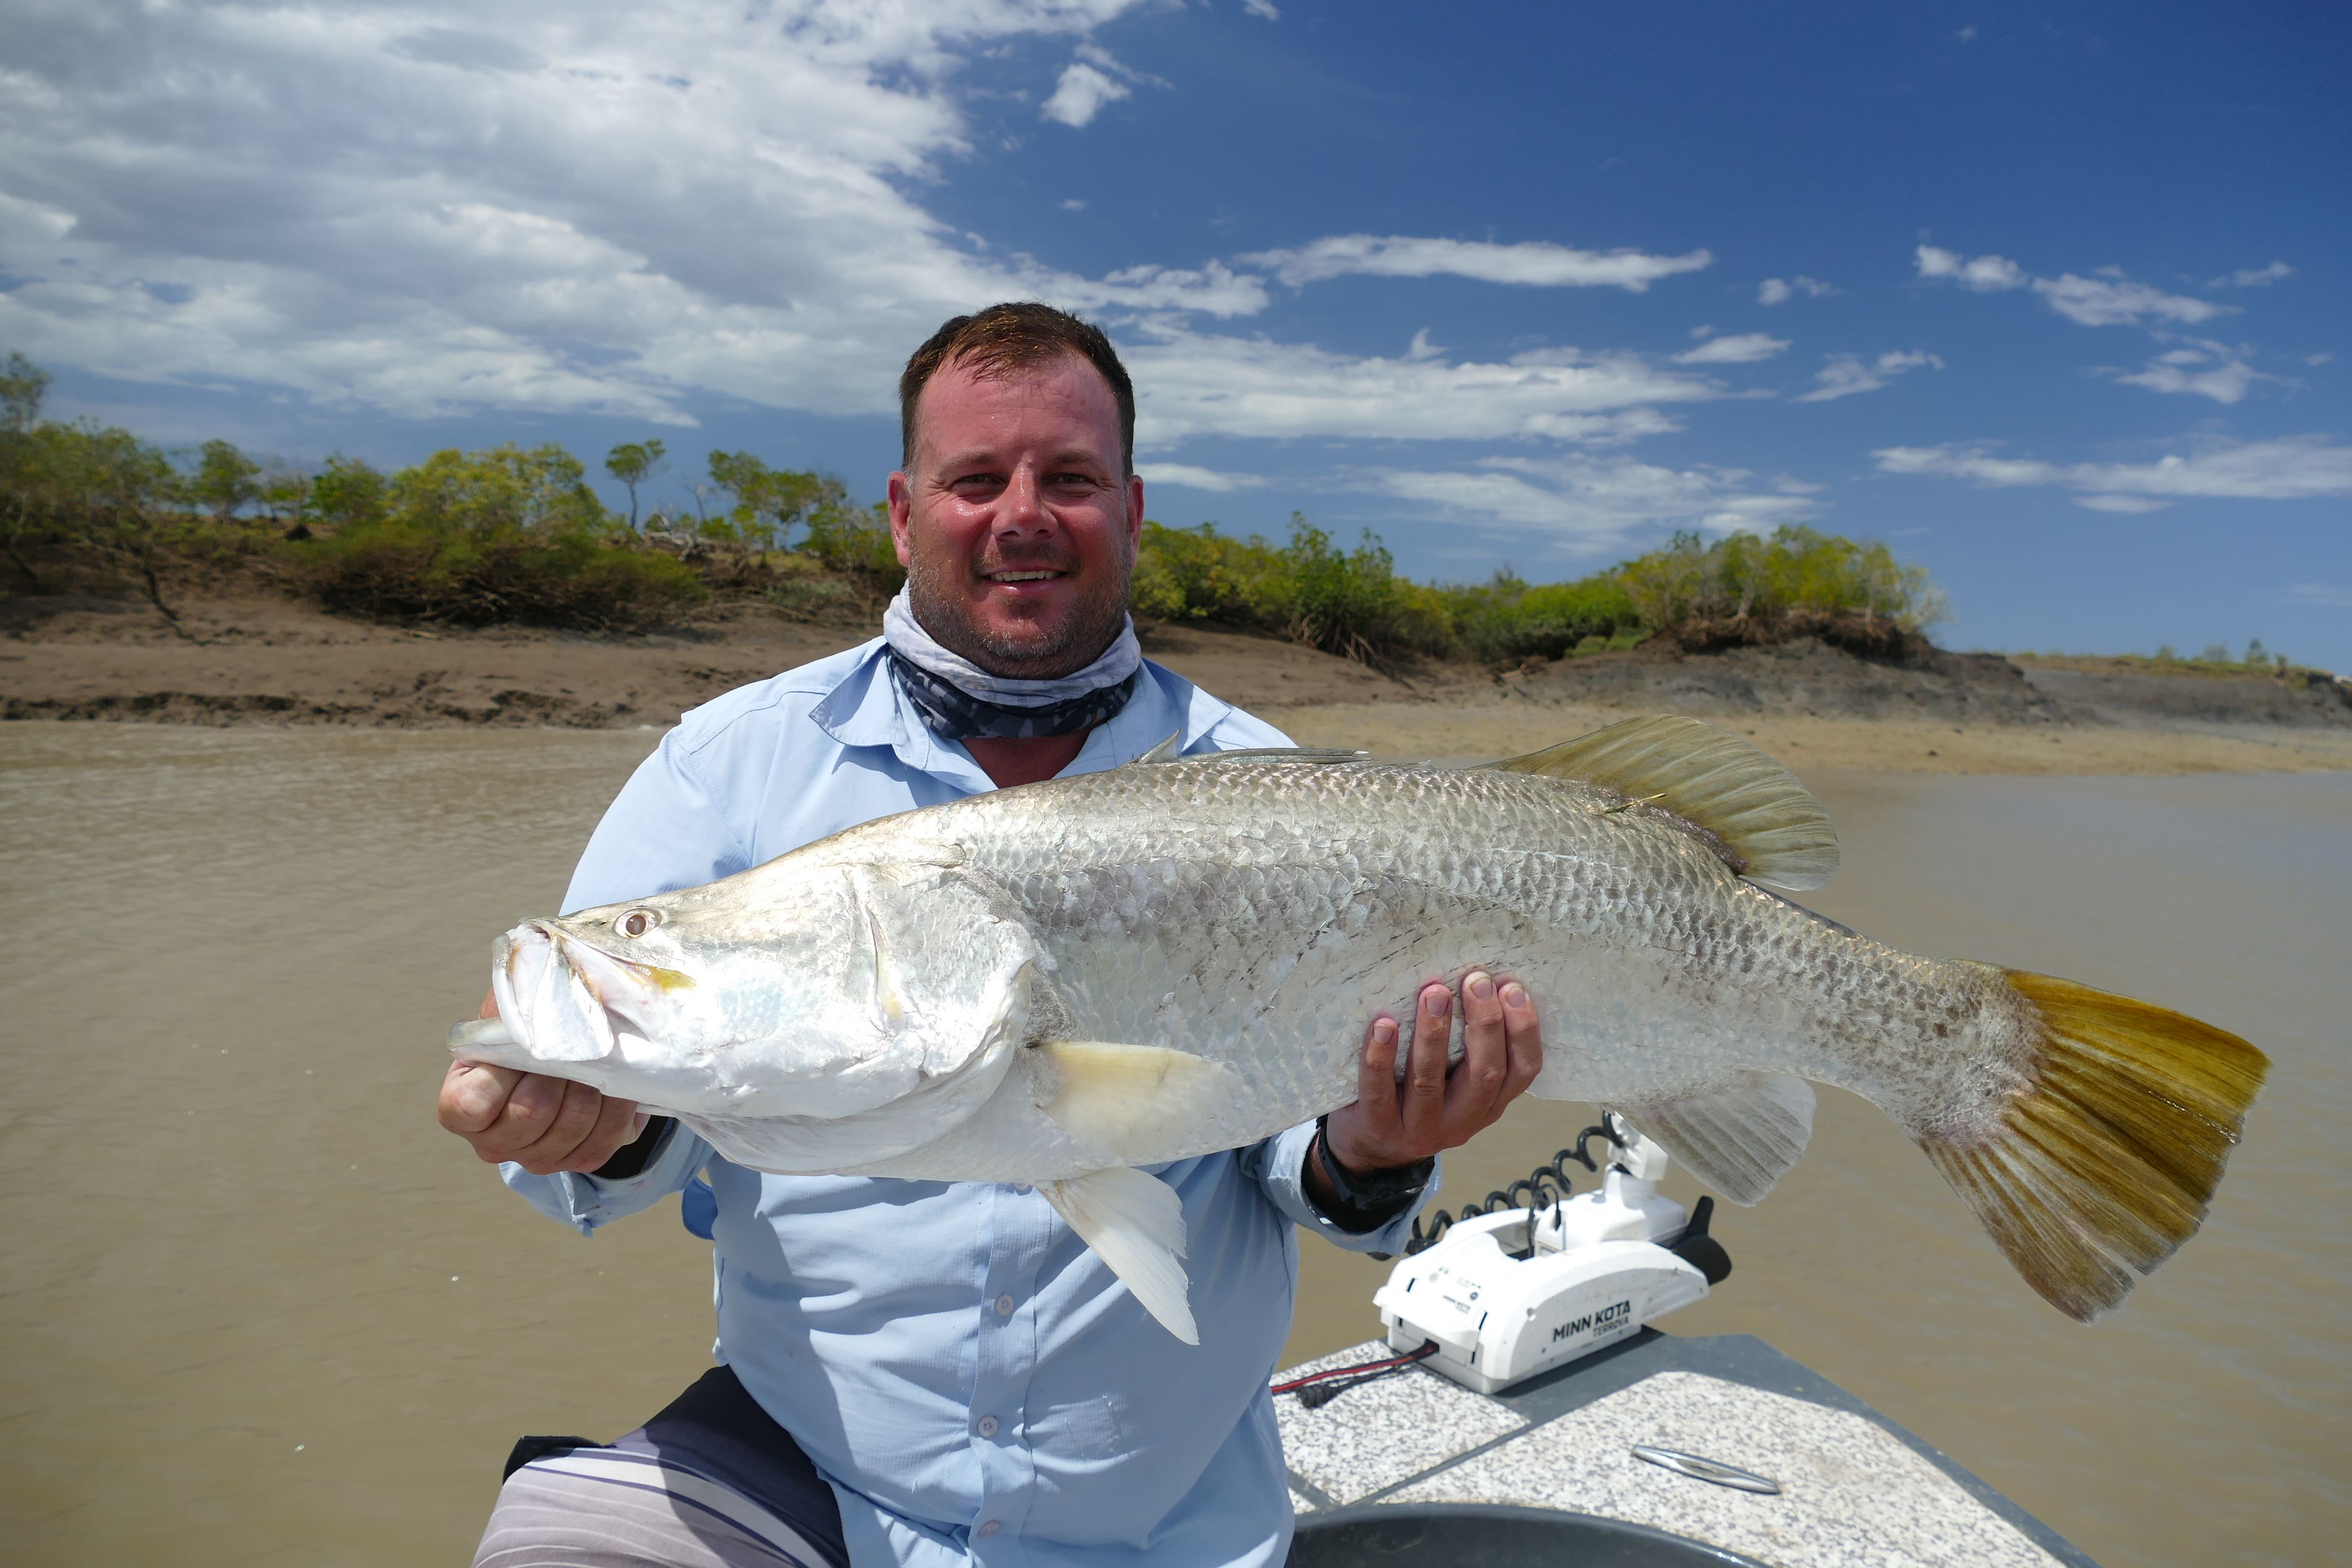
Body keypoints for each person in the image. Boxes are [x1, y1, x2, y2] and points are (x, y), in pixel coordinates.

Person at [440, 303, 1545, 1568]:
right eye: (976, 480)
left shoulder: (1273, 792)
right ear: (904, 513)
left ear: (1132, 511)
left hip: (1168, 1519)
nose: (1023, 515)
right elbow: (612, 1151)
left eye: (1069, 478)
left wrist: (1375, 1151)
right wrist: (597, 1120)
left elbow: (1304, 1158)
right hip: (802, 1468)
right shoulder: (727, 769)